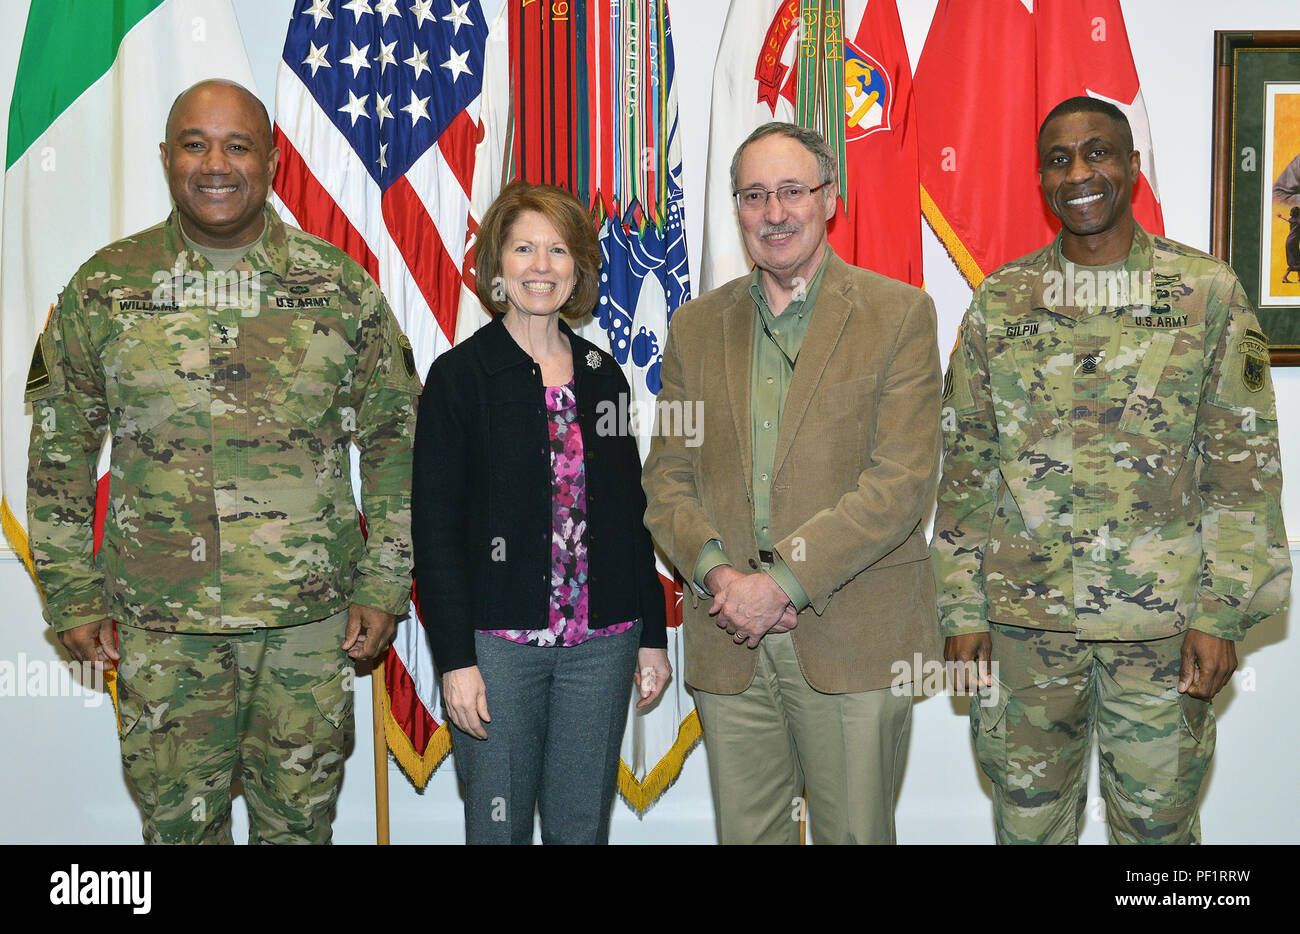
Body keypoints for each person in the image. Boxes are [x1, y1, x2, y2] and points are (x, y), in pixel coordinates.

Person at [24, 80, 419, 844]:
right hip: (163, 629)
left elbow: (397, 437)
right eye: (195, 144)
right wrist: (71, 594)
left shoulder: (337, 286)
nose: (216, 164)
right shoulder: (107, 287)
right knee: (179, 836)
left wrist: (383, 580)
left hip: (308, 628)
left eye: (237, 145)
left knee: (298, 833)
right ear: (166, 157)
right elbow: (61, 444)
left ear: (271, 159)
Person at [932, 96, 1291, 845]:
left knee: (1158, 832)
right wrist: (962, 611)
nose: (1080, 173)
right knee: (1028, 829)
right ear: (1042, 181)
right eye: (1059, 160)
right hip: (1024, 629)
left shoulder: (1206, 294)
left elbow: (1243, 472)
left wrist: (1222, 612)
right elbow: (968, 465)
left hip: (1161, 630)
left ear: (1132, 166)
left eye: (1098, 152)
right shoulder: (1000, 302)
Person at [642, 122, 942, 845]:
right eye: (753, 195)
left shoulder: (899, 314)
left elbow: (899, 483)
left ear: (829, 198)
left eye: (791, 191)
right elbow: (667, 478)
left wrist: (780, 583)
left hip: (855, 636)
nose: (773, 212)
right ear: (738, 208)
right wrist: (720, 578)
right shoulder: (695, 326)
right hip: (729, 638)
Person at [413, 181, 670, 845]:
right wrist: (454, 661)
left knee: (580, 830)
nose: (541, 265)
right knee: (496, 830)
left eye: (558, 250)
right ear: (496, 266)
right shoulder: (460, 377)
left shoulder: (602, 375)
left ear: (578, 267)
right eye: (524, 248)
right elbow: (435, 532)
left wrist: (650, 636)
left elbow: (629, 513)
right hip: (497, 650)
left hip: (603, 646)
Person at [1278, 206, 1300, 282]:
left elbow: (1287, 219)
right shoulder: (1298, 221)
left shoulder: (1292, 220)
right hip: (1293, 243)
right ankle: (1284, 277)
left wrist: (1281, 216)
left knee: (1297, 259)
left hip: (1290, 242)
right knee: (1294, 261)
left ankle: (1299, 277)